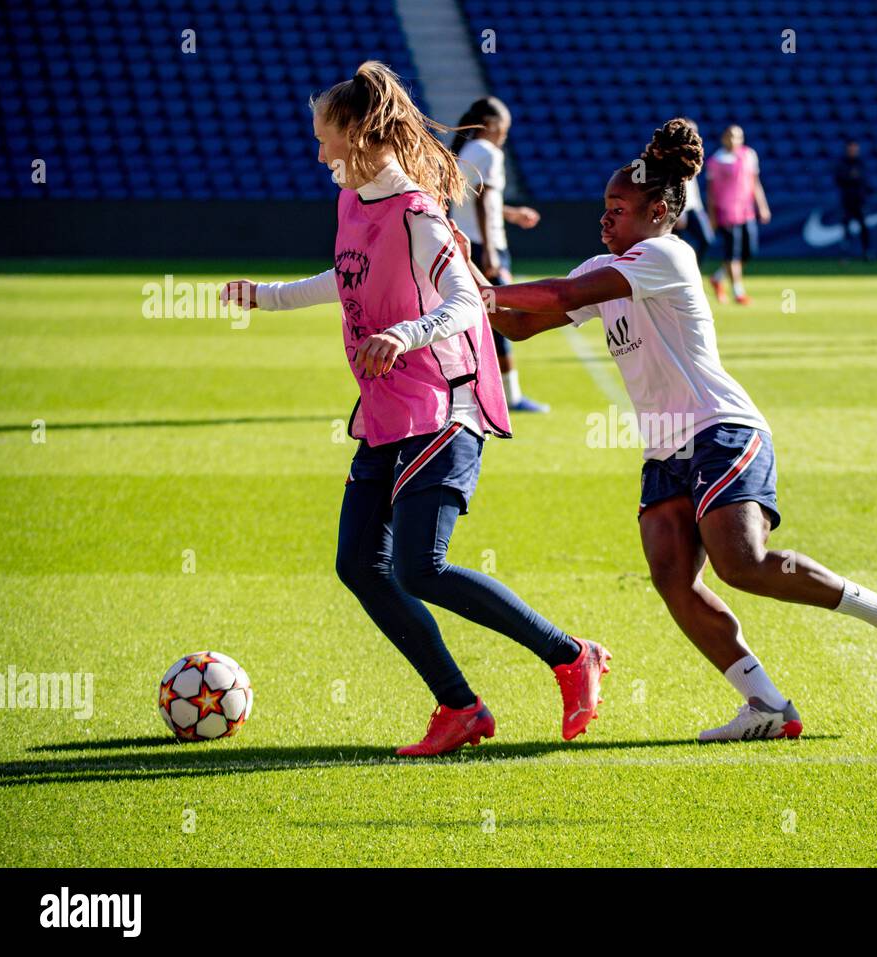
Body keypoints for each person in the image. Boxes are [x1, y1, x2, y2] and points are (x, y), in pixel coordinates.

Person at [450, 118, 877, 743]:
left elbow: (554, 294)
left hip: (721, 428)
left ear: (658, 210)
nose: (604, 219)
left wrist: (482, 289)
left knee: (742, 563)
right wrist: (465, 291)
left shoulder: (664, 254)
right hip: (665, 445)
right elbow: (524, 325)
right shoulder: (607, 262)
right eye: (604, 208)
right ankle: (766, 705)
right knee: (672, 577)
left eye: (618, 208)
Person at [220, 62, 609, 757]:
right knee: (359, 564)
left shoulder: (417, 214)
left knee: (418, 566)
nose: (318, 153)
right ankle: (460, 707)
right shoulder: (353, 199)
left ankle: (570, 654)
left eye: (324, 139)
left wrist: (403, 333)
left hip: (444, 399)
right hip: (390, 408)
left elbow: (465, 302)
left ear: (359, 134)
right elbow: (343, 280)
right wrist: (266, 296)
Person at [449, 96, 550, 412]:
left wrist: (511, 213)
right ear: (491, 126)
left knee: (474, 318)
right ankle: (510, 396)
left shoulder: (466, 152)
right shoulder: (489, 152)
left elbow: (480, 201)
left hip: (470, 244)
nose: (504, 136)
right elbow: (481, 202)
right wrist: (490, 252)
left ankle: (472, 392)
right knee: (503, 317)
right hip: (483, 247)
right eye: (503, 130)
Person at [706, 124, 771, 305]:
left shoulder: (749, 155)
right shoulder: (717, 160)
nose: (735, 140)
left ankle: (718, 278)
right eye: (731, 136)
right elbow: (711, 192)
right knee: (732, 254)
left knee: (749, 251)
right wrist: (712, 215)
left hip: (746, 211)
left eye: (738, 136)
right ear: (724, 138)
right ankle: (738, 292)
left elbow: (755, 182)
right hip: (726, 212)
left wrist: (762, 206)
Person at [673, 120, 715, 266]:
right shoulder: (674, 154)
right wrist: (677, 209)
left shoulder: (694, 153)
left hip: (693, 206)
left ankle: (691, 270)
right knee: (675, 246)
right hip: (678, 208)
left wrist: (699, 206)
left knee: (707, 239)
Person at [835, 140, 872, 261]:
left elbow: (864, 180)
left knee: (864, 227)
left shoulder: (861, 163)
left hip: (859, 201)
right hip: (847, 201)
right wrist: (851, 177)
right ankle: (845, 254)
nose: (853, 150)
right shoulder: (842, 163)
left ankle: (866, 252)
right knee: (846, 228)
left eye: (855, 148)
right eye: (851, 148)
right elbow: (840, 179)